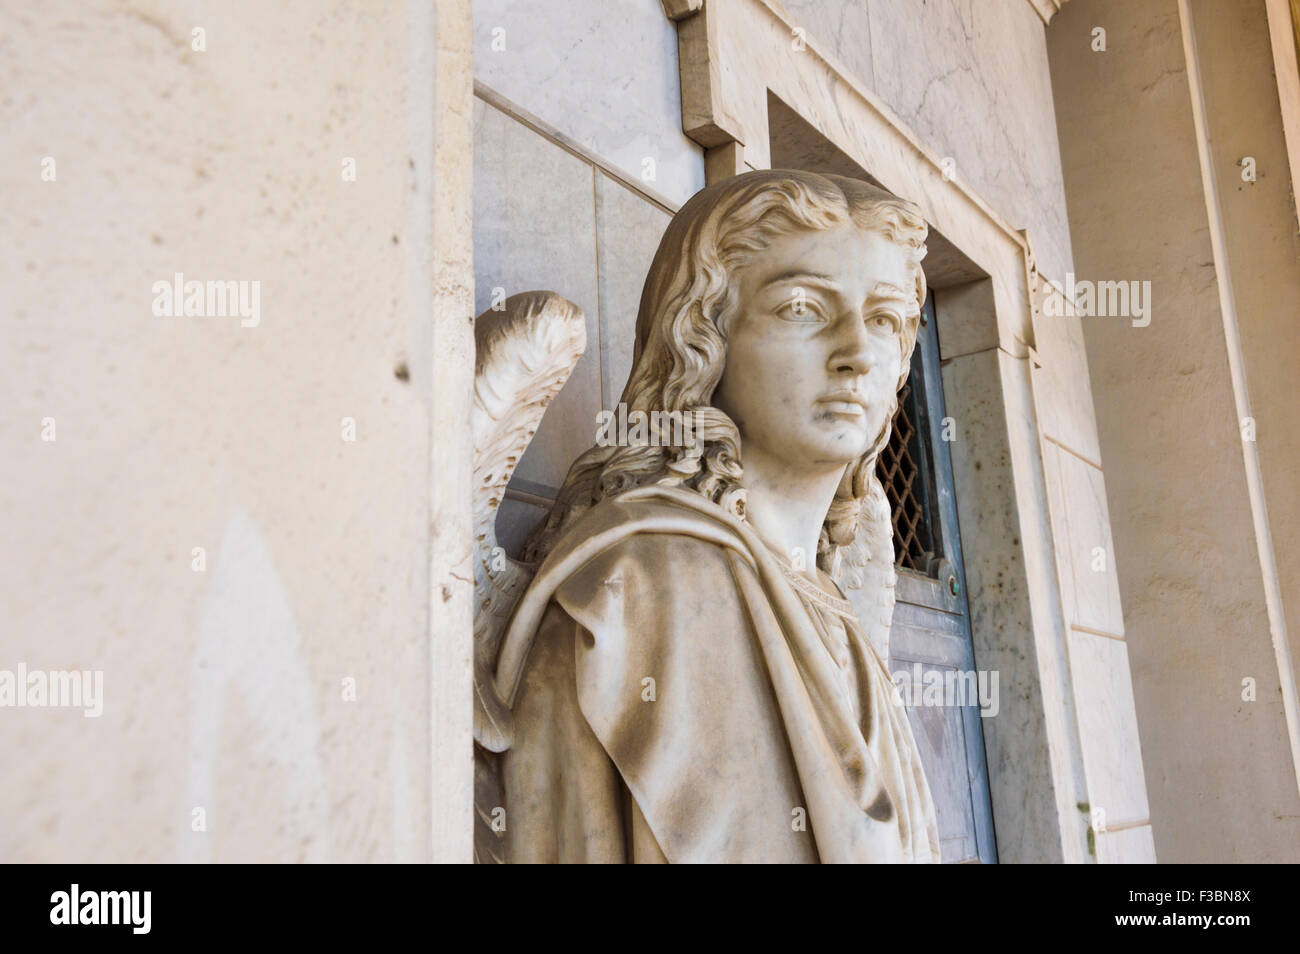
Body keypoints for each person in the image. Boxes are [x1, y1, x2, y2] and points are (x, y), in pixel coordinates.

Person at [493, 169, 941, 863]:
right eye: (802, 308)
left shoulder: (831, 601)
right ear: (703, 335)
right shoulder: (646, 581)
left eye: (883, 319)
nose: (857, 354)